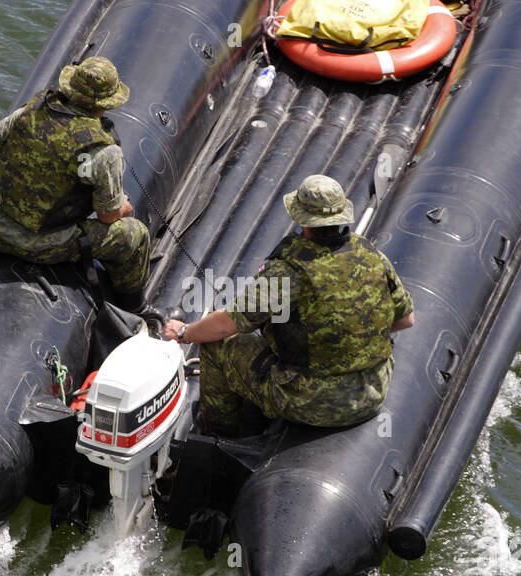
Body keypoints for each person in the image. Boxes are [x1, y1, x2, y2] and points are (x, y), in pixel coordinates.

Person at [162, 174, 414, 433]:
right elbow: (406, 319)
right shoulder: (373, 255)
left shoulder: (289, 272)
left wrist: (183, 332)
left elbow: (227, 325)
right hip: (371, 393)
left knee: (215, 342)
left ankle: (217, 434)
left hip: (311, 402)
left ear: (302, 221)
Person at [0, 57, 150, 308]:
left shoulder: (31, 111)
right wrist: (123, 207)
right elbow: (107, 217)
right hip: (41, 246)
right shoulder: (102, 150)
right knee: (136, 236)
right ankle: (134, 309)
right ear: (105, 104)